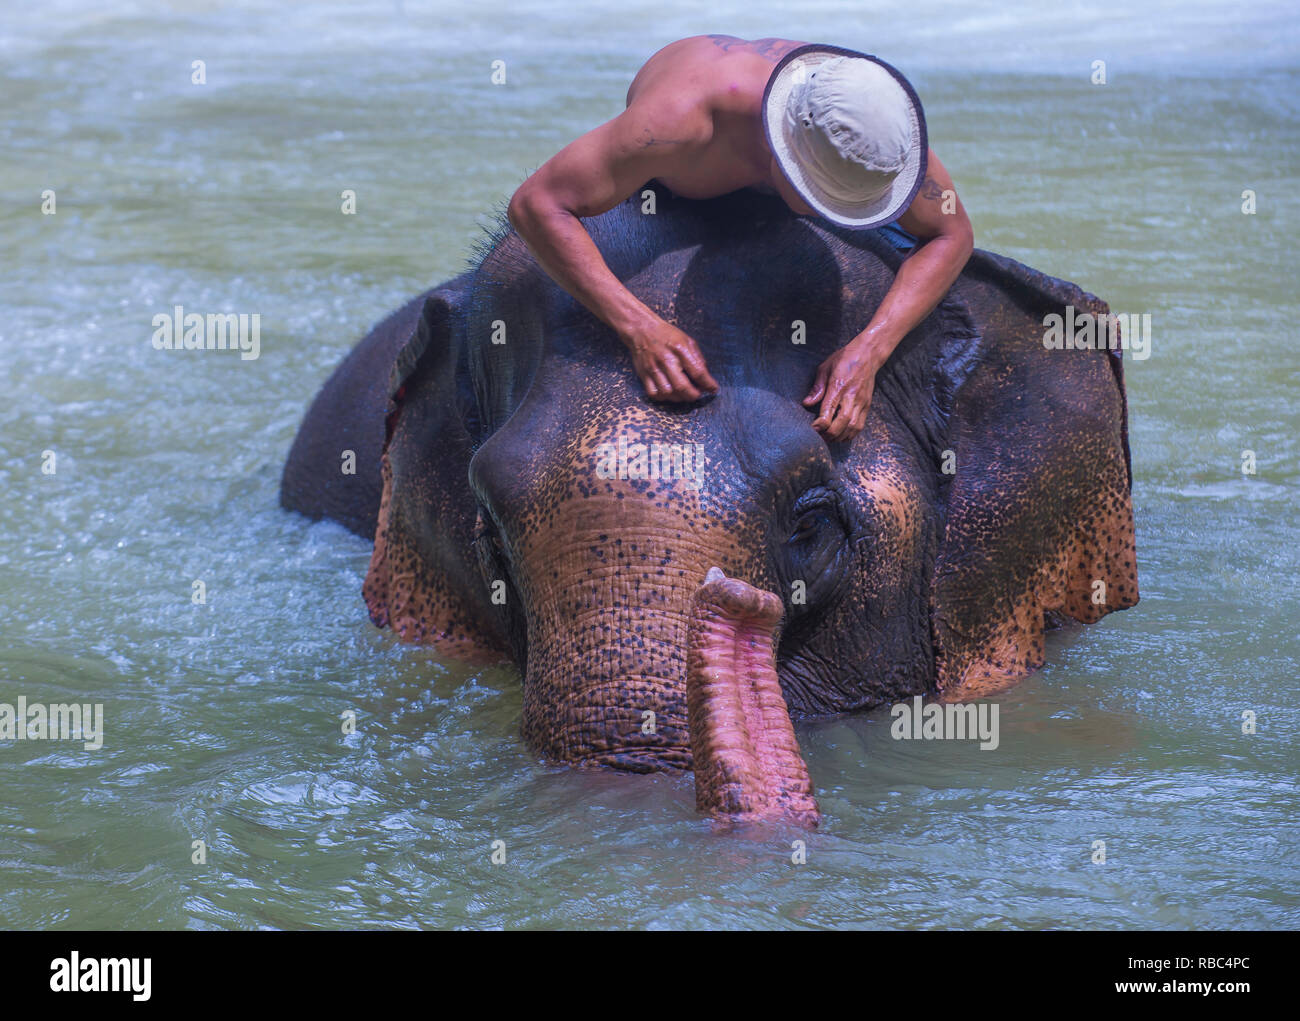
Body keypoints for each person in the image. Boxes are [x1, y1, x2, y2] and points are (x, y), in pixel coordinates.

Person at [507, 35, 974, 442]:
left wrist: (871, 348)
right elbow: (537, 203)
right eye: (824, 197)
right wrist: (638, 327)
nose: (835, 216)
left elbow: (951, 234)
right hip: (681, 178)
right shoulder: (679, 121)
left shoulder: (879, 136)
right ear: (781, 146)